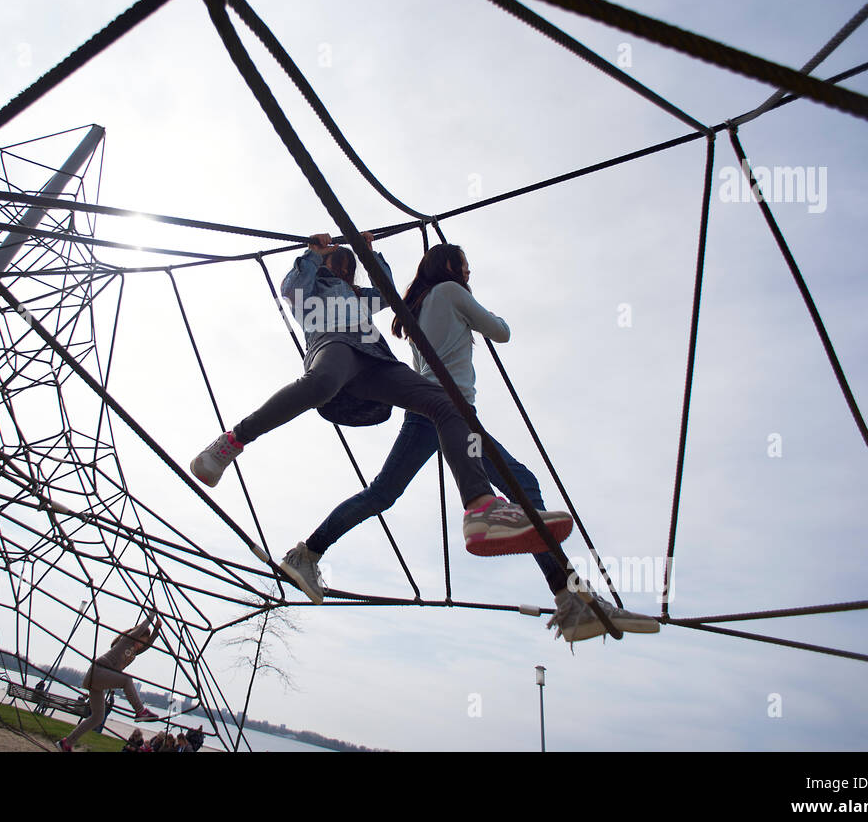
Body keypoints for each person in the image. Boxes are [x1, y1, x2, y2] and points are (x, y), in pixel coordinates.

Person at [278, 244, 659, 643]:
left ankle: (309, 552)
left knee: (385, 493)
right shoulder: (451, 293)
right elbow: (501, 331)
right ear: (449, 267)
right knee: (520, 484)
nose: (468, 272)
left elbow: (389, 294)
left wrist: (369, 254)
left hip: (428, 409)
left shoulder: (418, 306)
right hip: (449, 409)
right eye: (464, 266)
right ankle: (570, 598)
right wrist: (483, 310)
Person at [191, 233, 564, 560]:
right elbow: (290, 287)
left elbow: (386, 291)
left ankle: (480, 508)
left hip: (376, 359)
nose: (343, 270)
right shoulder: (313, 288)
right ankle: (232, 441)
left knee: (446, 403)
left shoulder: (357, 296)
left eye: (347, 266)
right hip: (333, 345)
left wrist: (367, 252)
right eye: (338, 263)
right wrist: (313, 254)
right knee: (321, 383)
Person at [56, 608, 161, 752]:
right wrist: (151, 617)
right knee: (126, 680)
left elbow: (147, 646)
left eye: (142, 643)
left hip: (98, 681)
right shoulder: (126, 641)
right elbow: (140, 629)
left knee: (98, 717)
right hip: (98, 672)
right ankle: (140, 711)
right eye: (141, 641)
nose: (140, 645)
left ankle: (66, 743)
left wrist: (156, 630)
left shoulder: (134, 651)